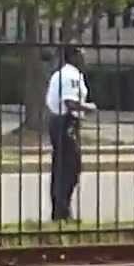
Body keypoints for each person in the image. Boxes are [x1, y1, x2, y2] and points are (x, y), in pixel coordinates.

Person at [44, 46, 96, 222]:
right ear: (73, 56)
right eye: (81, 53)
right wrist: (89, 108)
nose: (84, 57)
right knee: (70, 167)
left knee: (62, 167)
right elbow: (70, 102)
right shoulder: (70, 75)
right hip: (66, 122)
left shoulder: (62, 73)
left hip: (60, 122)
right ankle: (63, 212)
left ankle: (61, 212)